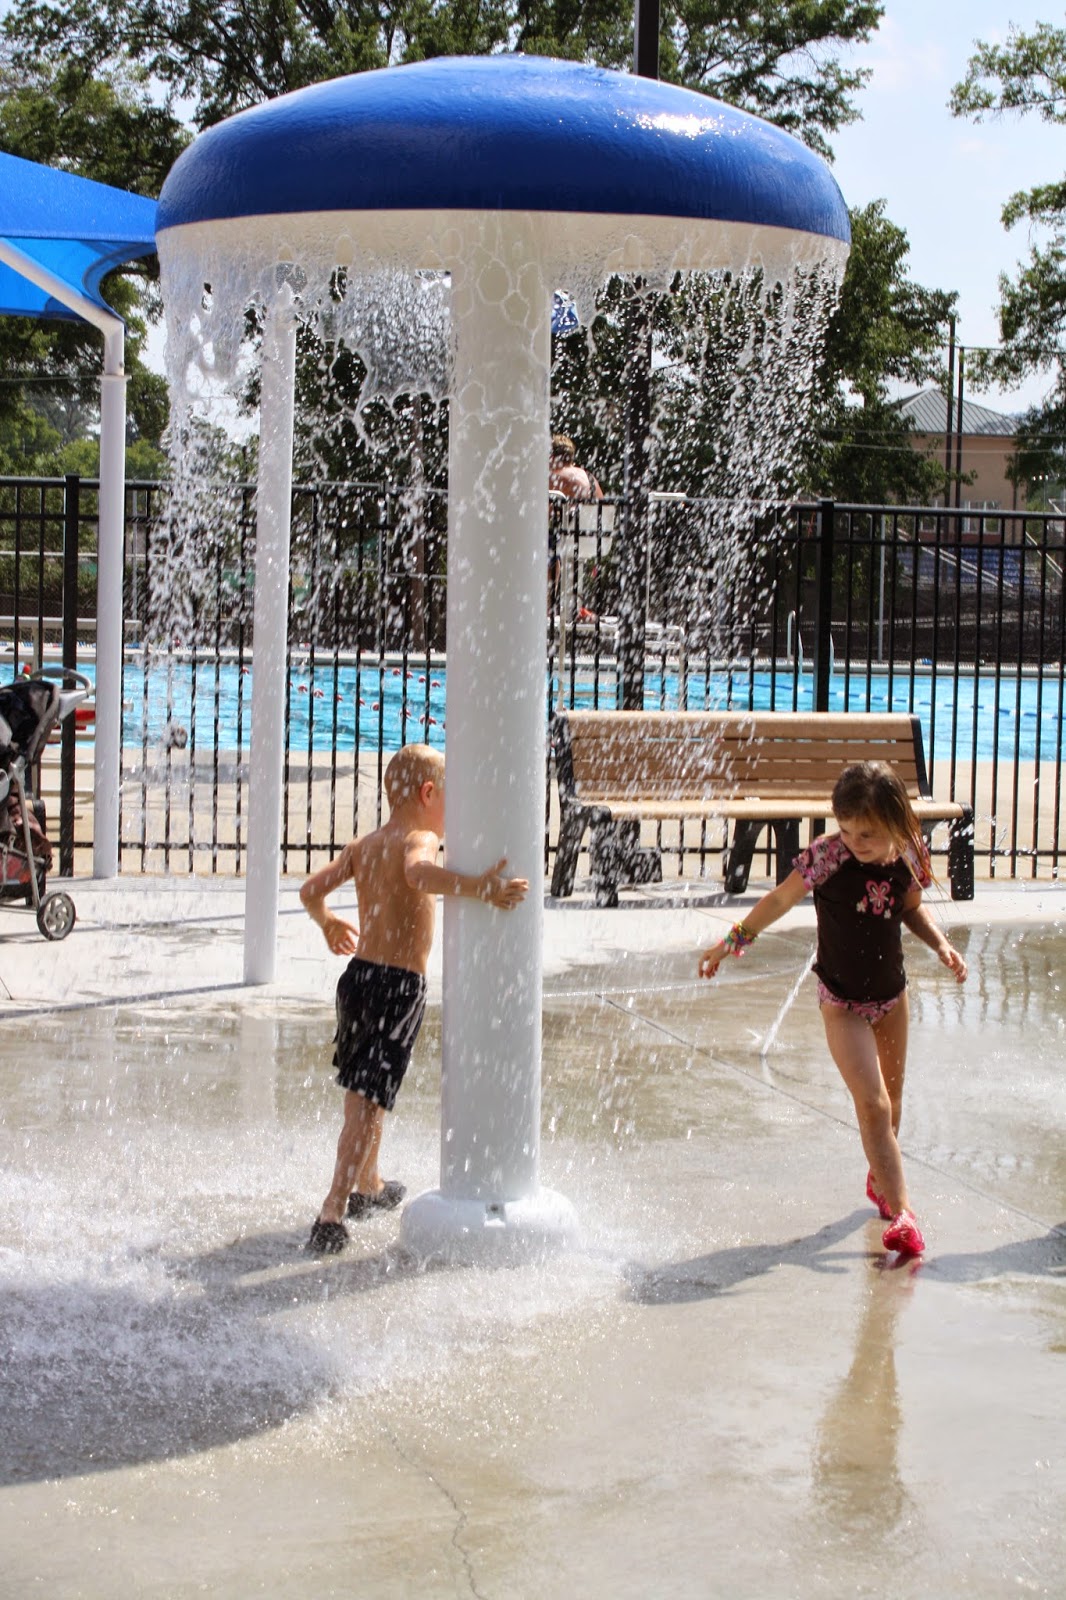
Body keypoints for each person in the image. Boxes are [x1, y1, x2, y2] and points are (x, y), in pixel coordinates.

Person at [698, 761, 968, 1257]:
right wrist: (730, 942)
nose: (854, 841)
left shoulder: (910, 852)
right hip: (841, 1002)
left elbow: (910, 909)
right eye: (846, 829)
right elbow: (779, 900)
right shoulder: (827, 856)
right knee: (874, 1105)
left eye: (867, 833)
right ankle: (905, 1214)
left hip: (892, 997)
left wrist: (941, 945)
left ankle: (880, 1179)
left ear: (894, 821)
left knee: (893, 1103)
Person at [300, 742, 529, 1254]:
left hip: (358, 980)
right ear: (429, 794)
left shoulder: (364, 845)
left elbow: (311, 891)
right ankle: (333, 1209)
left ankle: (369, 1184)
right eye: (451, 797)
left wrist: (328, 922)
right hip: (397, 987)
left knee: (365, 1094)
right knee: (367, 1101)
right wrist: (479, 888)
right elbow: (417, 874)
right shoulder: (419, 838)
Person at [548, 434, 603, 612]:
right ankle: (568, 606)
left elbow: (541, 516)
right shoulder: (589, 477)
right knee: (553, 542)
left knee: (542, 543)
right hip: (599, 540)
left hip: (573, 541)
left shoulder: (555, 477)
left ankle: (545, 605)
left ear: (552, 457)